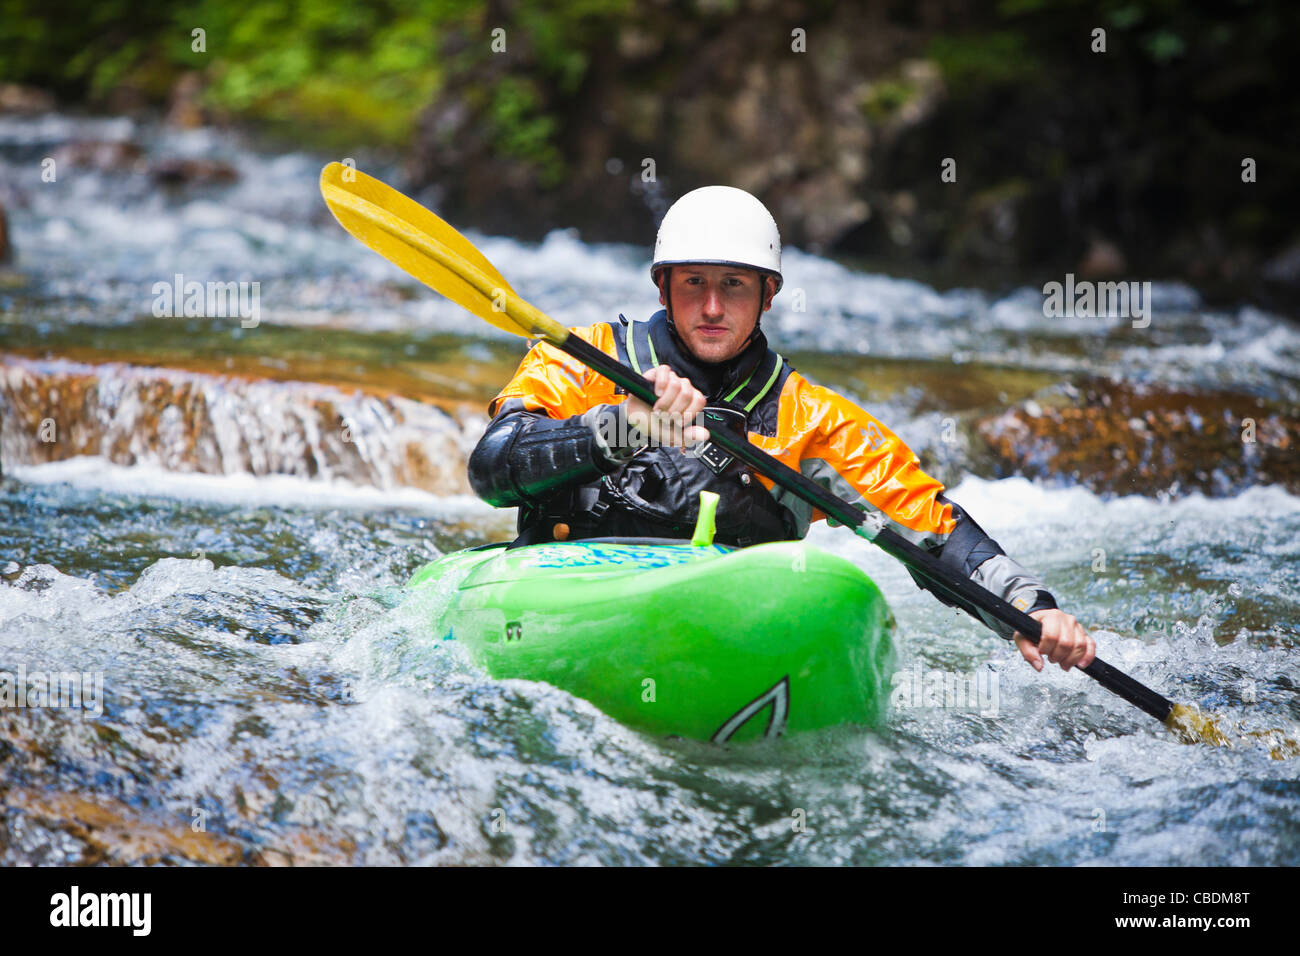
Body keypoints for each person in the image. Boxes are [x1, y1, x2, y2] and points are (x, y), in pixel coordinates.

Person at [468, 186, 1094, 673]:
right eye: (694, 284)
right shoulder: (579, 358)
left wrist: (1029, 610)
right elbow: (493, 470)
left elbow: (928, 528)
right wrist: (621, 428)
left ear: (769, 295)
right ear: (663, 286)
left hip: (725, 633)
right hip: (563, 601)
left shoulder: (810, 416)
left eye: (734, 286)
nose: (713, 307)